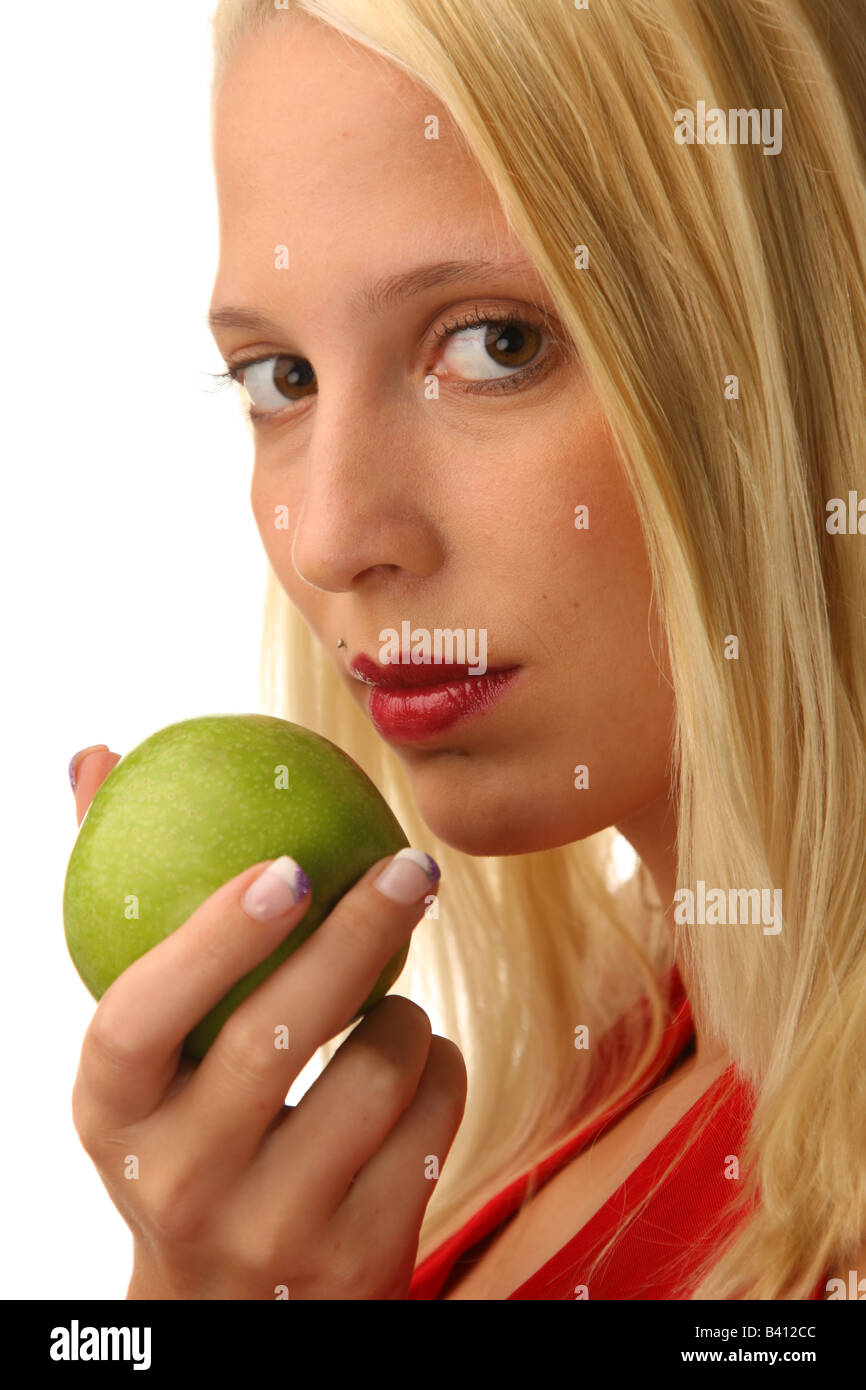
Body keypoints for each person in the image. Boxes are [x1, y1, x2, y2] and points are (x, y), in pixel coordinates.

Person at [67, 0, 866, 1299]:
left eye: (494, 343)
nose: (328, 536)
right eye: (280, 378)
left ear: (791, 351)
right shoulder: (613, 1059)